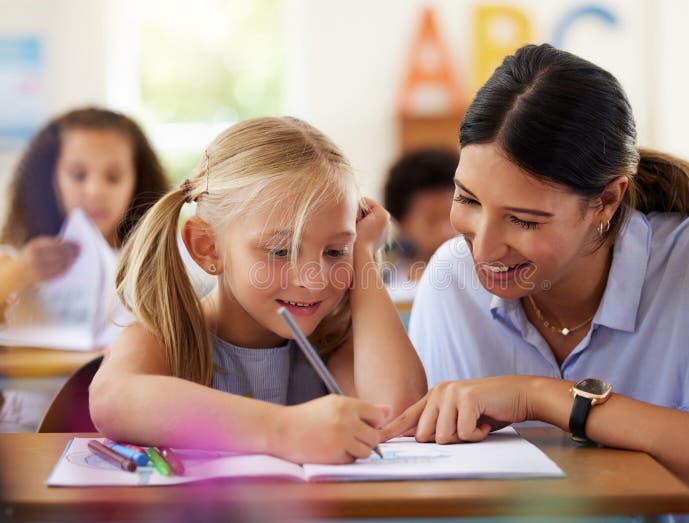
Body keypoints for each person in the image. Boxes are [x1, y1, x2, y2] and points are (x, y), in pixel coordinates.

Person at [381, 44, 689, 522]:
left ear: (605, 201)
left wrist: (541, 397)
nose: (483, 250)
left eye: (524, 220)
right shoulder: (453, 281)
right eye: (468, 199)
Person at [89, 117, 427, 463]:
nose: (314, 280)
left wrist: (362, 252)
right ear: (208, 247)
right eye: (280, 251)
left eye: (335, 251)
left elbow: (398, 414)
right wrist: (283, 429)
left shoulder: (334, 339)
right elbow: (112, 401)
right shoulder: (165, 337)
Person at [0, 107, 169, 432]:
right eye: (78, 175)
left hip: (121, 427)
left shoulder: (156, 264)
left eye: (113, 177)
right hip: (25, 425)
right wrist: (20, 274)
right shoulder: (13, 258)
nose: (94, 190)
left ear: (137, 180)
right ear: (50, 178)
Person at [382, 148, 458, 302]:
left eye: (453, 217)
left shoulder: (482, 277)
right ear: (402, 223)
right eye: (431, 221)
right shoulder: (383, 281)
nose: (446, 232)